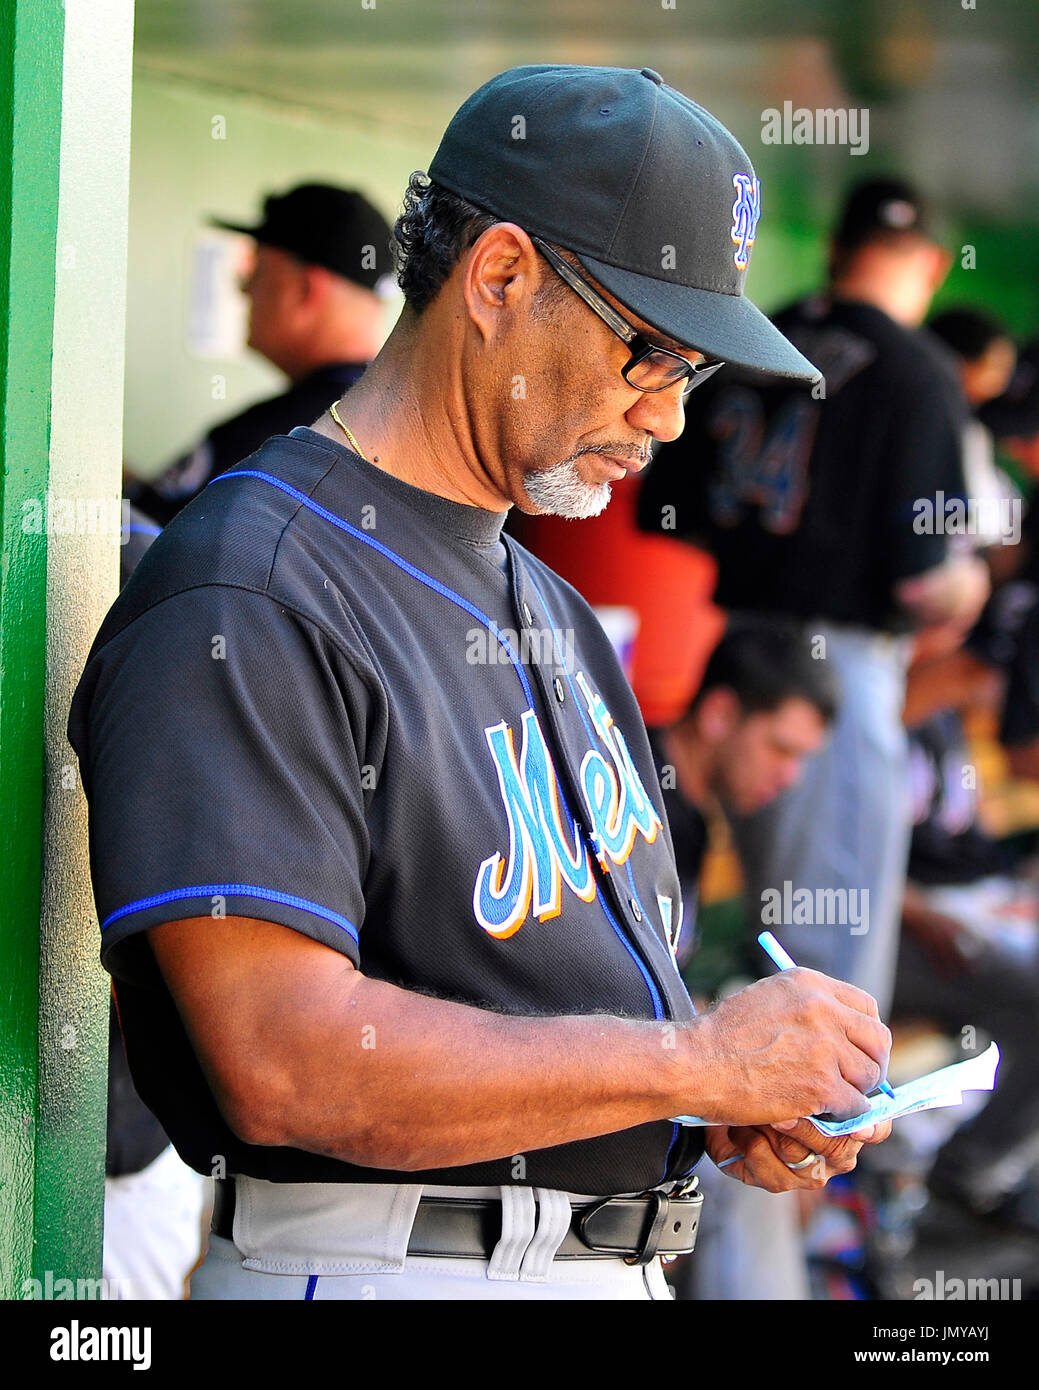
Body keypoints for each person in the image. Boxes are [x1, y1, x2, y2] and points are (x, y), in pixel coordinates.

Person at [68, 65, 892, 1302]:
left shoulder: (547, 600)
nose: (667, 419)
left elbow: (559, 993)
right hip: (385, 1262)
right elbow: (284, 1060)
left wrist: (727, 1090)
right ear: (499, 276)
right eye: (652, 353)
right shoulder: (254, 585)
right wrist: (687, 1060)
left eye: (693, 375)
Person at [638, 177, 990, 1017]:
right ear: (931, 265)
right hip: (836, 677)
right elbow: (922, 579)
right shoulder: (916, 371)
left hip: (741, 654)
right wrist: (970, 583)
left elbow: (667, 511)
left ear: (835, 247)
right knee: (827, 962)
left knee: (782, 932)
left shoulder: (754, 342)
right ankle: (821, 1142)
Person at [125, 183, 393, 526]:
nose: (244, 288)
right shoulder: (398, 419)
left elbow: (137, 532)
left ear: (305, 290)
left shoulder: (277, 436)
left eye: (258, 270)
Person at [648, 616, 839, 964]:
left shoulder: (689, 811)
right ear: (719, 715)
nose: (790, 777)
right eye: (781, 749)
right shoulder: (636, 797)